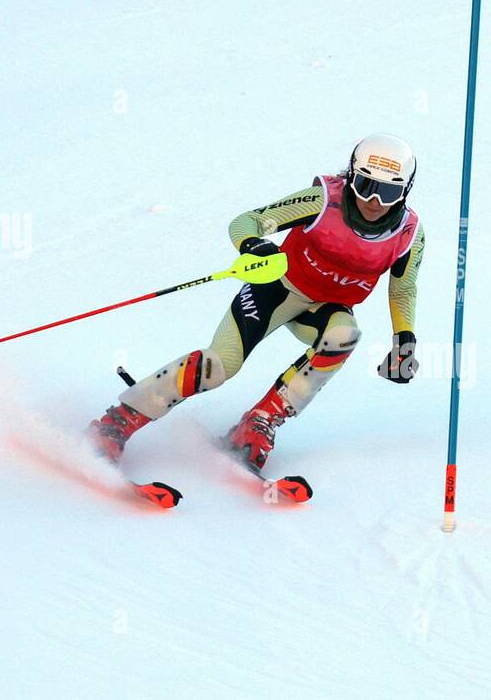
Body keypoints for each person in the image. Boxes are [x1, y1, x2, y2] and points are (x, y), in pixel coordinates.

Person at [88, 132, 424, 471]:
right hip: (276, 290)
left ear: (405, 191)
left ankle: (259, 422)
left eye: (389, 192)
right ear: (351, 176)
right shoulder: (324, 202)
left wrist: (404, 339)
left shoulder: (409, 234)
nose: (375, 202)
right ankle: (117, 422)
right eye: (365, 186)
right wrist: (253, 244)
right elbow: (246, 221)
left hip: (323, 309)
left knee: (345, 335)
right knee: (220, 366)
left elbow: (403, 289)